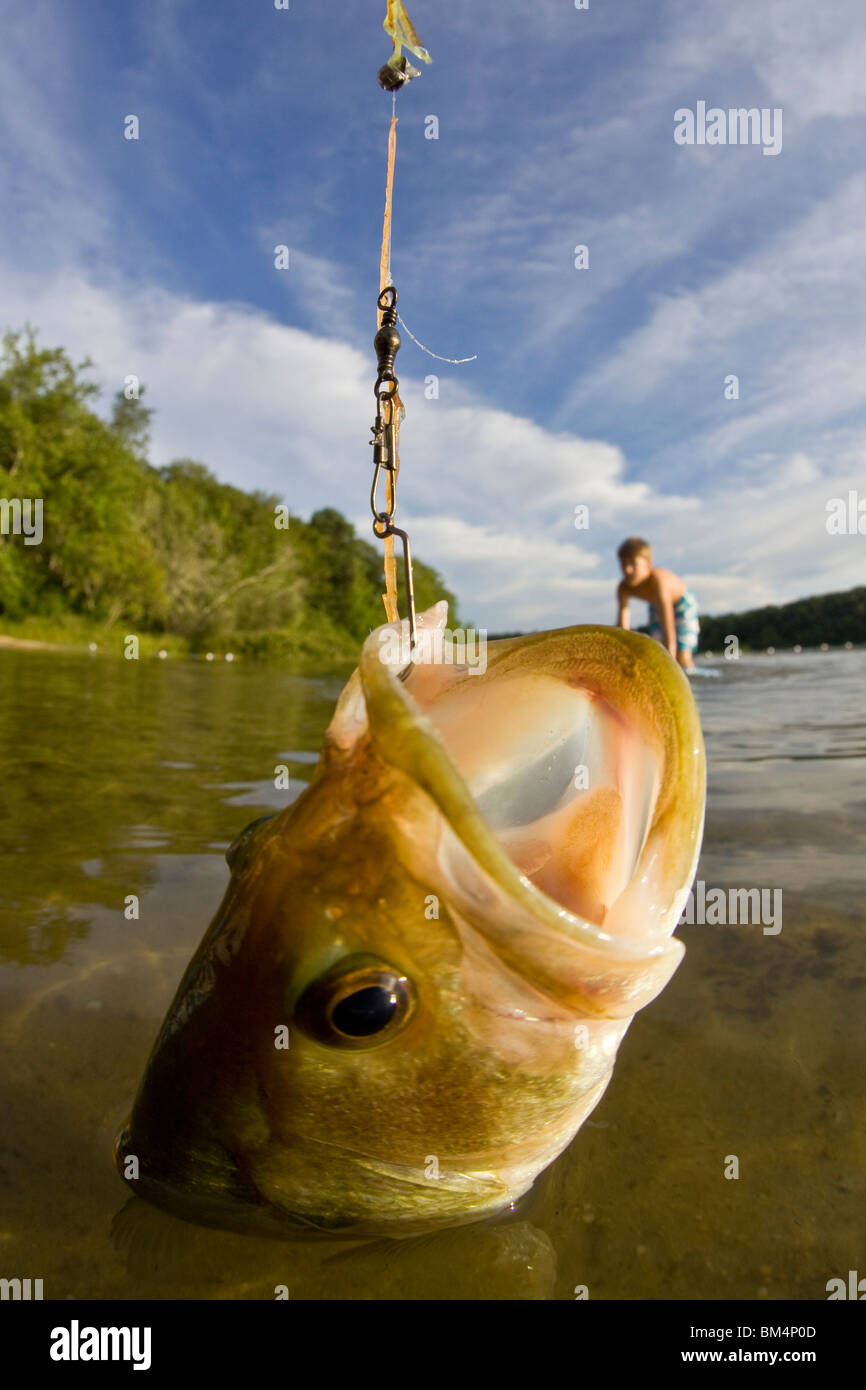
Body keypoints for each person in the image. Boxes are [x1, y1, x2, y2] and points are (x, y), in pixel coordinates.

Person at [616, 537, 699, 670]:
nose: (627, 570)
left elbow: (668, 627)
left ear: (648, 564)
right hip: (655, 606)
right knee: (658, 648)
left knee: (682, 656)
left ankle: (687, 673)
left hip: (682, 604)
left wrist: (671, 667)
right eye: (623, 564)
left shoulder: (658, 582)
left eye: (633, 564)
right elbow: (622, 629)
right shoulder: (623, 588)